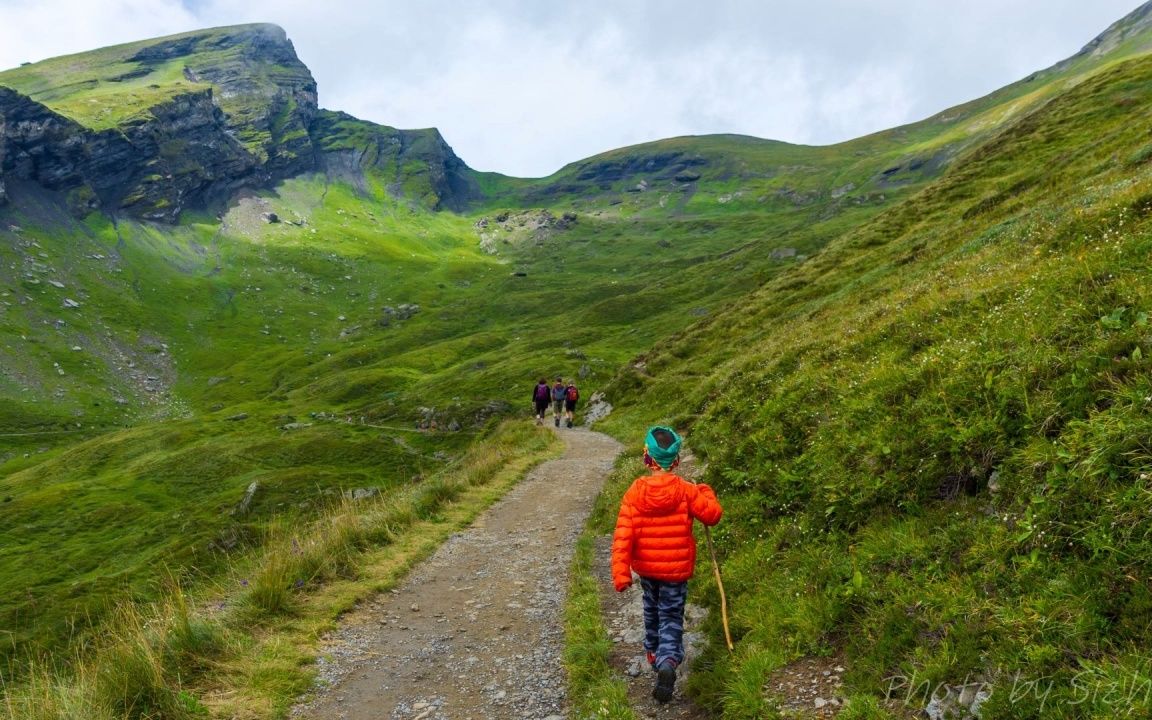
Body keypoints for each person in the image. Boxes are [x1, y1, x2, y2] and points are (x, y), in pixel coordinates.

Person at [611, 426, 723, 703]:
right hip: (676, 570)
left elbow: (623, 535)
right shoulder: (687, 490)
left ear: (647, 458)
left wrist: (620, 573)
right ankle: (668, 661)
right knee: (671, 614)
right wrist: (706, 491)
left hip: (647, 568)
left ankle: (653, 652)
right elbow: (712, 515)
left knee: (651, 607)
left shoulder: (634, 492)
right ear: (676, 460)